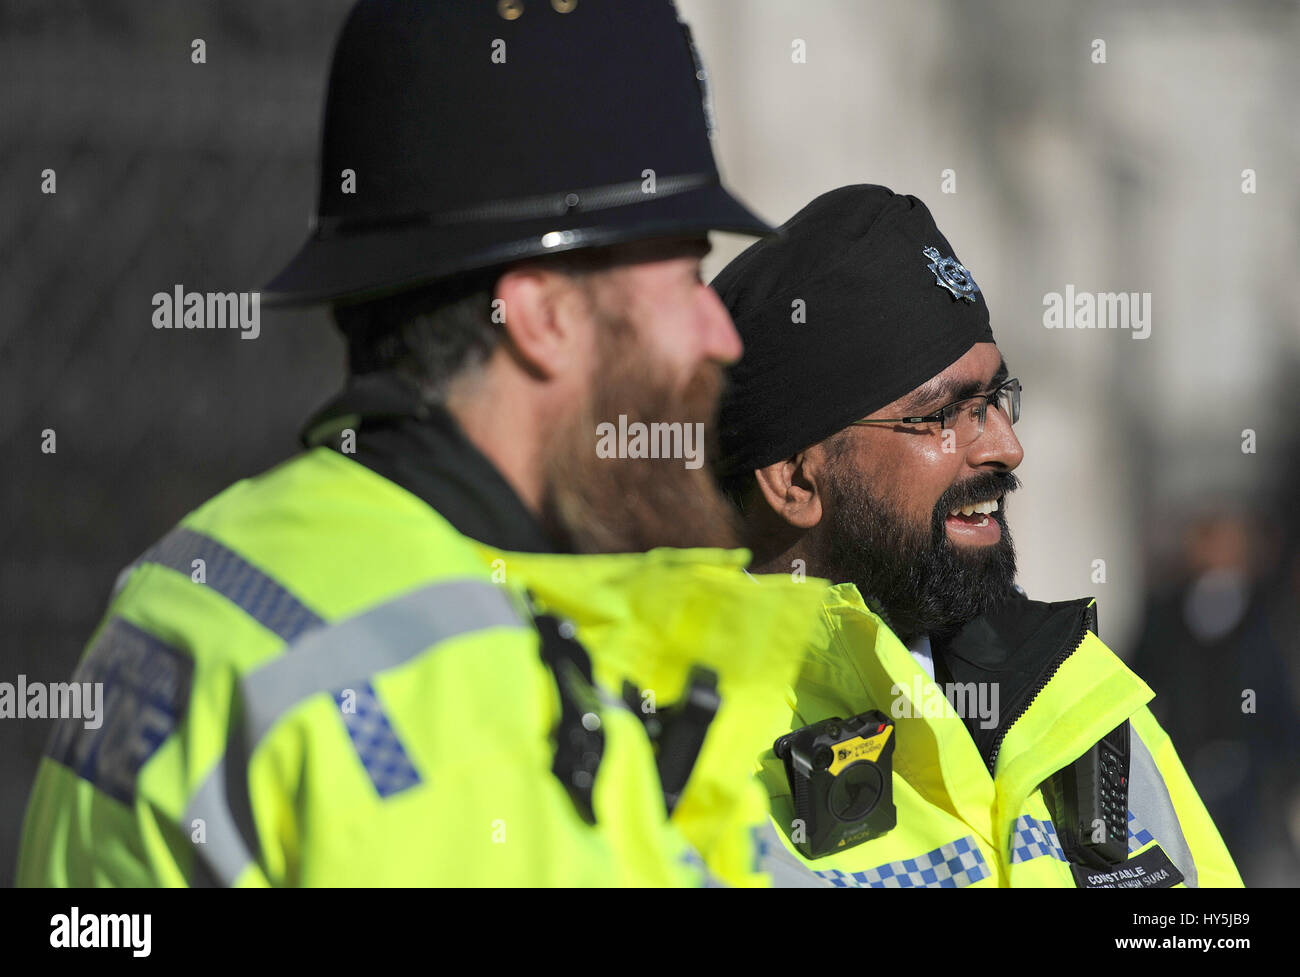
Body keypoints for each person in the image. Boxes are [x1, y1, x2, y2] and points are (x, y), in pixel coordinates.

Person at [16, 0, 827, 888]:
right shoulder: (450, 691)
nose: (722, 332)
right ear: (543, 315)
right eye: (685, 274)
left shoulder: (203, 576)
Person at [713, 184, 1243, 887]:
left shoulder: (1077, 695)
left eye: (994, 398)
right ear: (794, 480)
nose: (1006, 444)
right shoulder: (680, 762)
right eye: (942, 414)